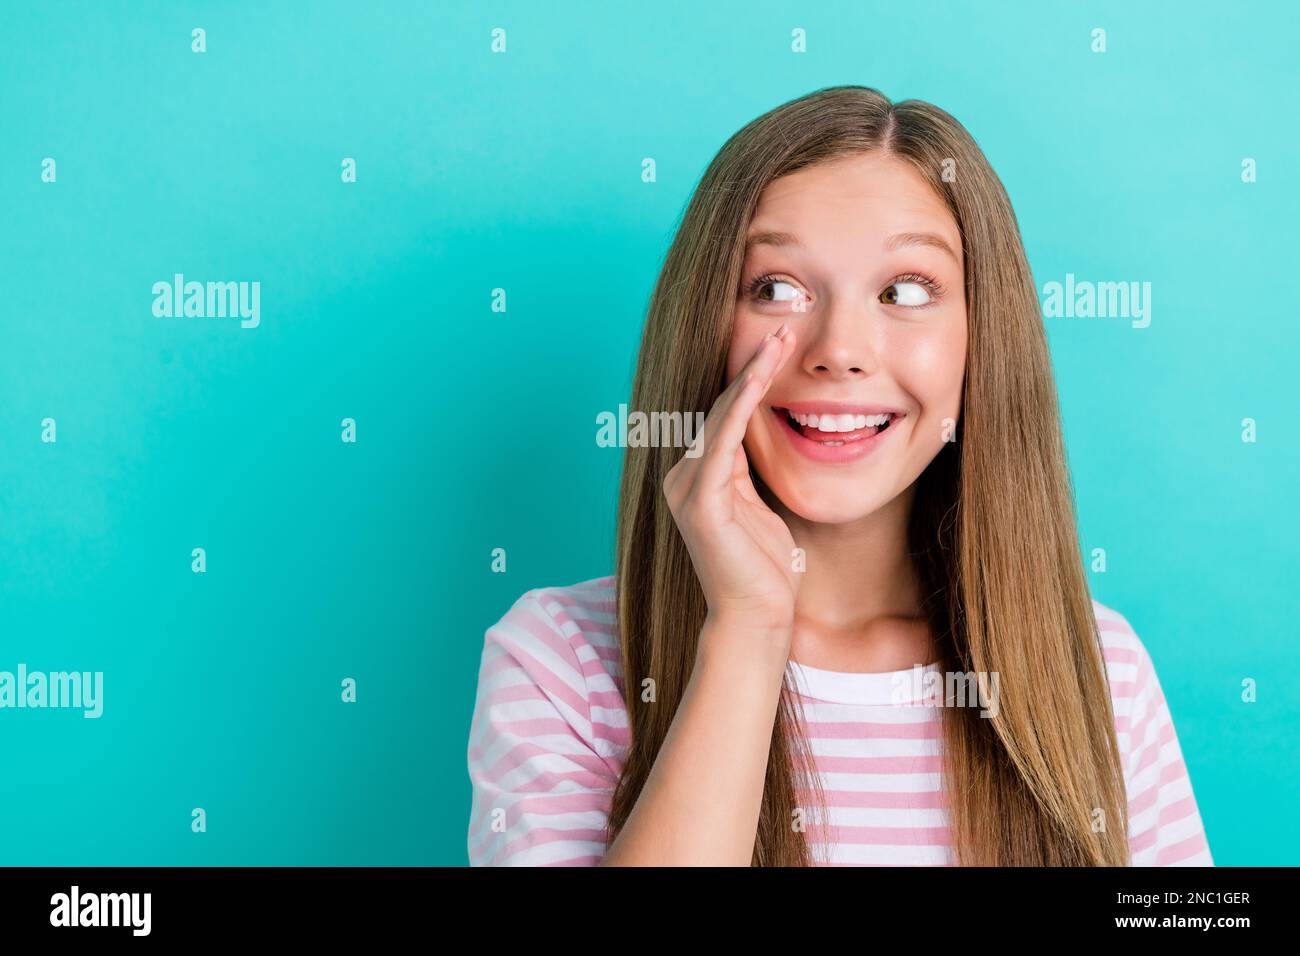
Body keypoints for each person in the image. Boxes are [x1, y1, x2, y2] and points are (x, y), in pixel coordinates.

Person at [466, 85, 1213, 866]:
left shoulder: (1098, 667)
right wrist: (748, 632)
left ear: (979, 341)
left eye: (906, 291)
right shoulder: (561, 663)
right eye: (776, 289)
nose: (839, 348)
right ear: (705, 328)